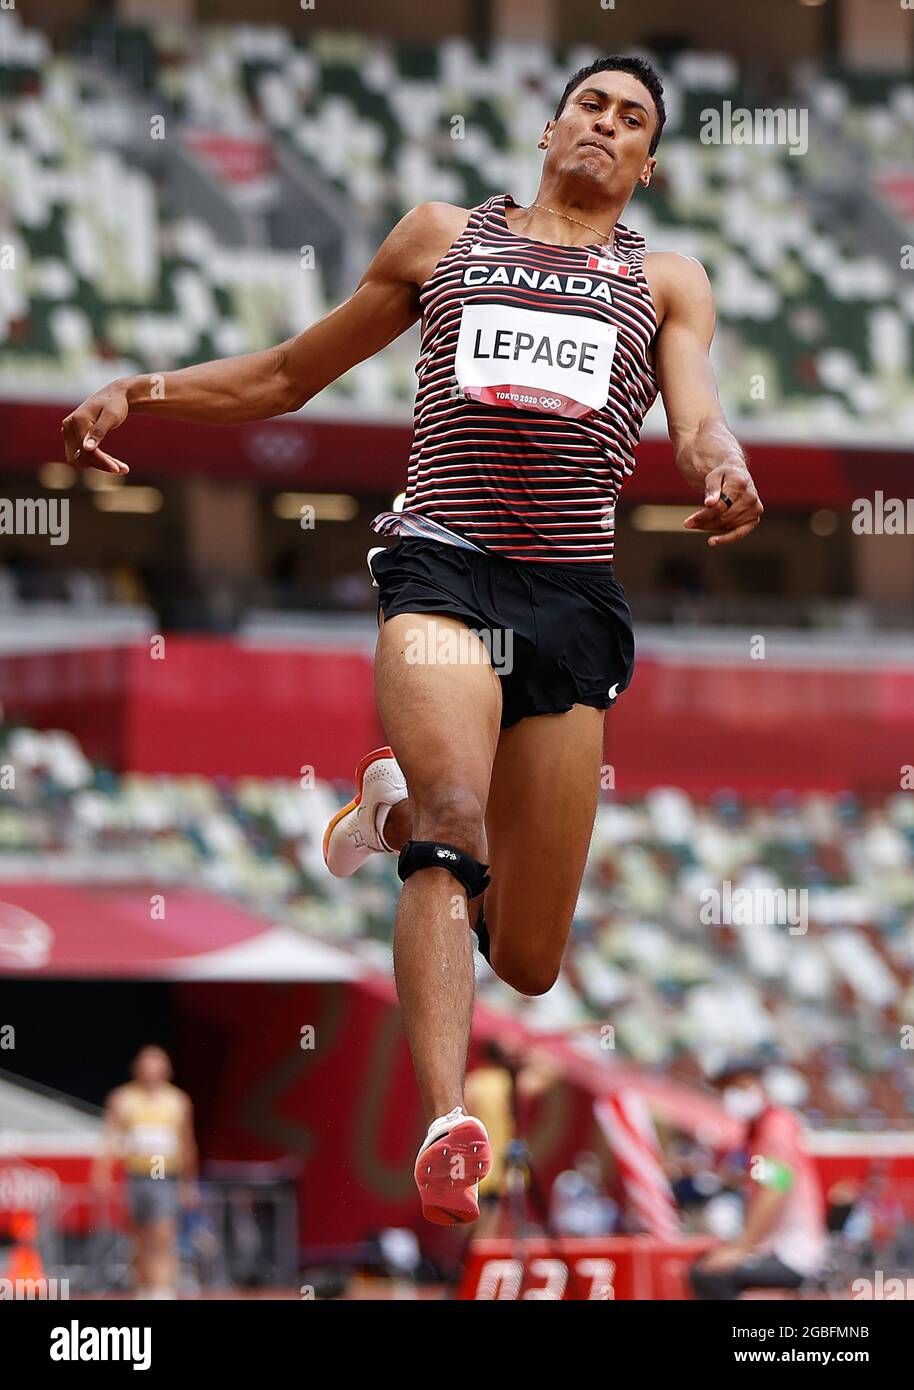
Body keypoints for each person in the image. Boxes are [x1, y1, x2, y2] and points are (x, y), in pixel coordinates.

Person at [61, 55, 763, 1227]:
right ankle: (448, 1123)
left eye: (632, 119)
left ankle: (380, 809)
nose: (605, 123)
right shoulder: (440, 236)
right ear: (548, 126)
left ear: (647, 166)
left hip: (572, 604)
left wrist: (722, 461)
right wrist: (149, 387)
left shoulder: (669, 280)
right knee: (456, 818)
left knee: (530, 958)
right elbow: (290, 373)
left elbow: (693, 416)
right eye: (590, 103)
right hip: (441, 567)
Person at [689, 1059, 827, 1300]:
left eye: (740, 1086)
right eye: (726, 1089)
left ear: (761, 1086)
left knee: (708, 1275)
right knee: (705, 1264)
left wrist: (743, 1247)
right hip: (775, 1248)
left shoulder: (776, 1127)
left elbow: (776, 1188)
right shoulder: (758, 1131)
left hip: (793, 1254)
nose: (730, 1095)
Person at [93, 1045, 198, 1299]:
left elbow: (187, 1143)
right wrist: (101, 1172)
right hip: (136, 1176)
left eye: (157, 1066)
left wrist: (188, 1183)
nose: (152, 1072)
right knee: (138, 1238)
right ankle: (143, 1288)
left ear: (166, 1070)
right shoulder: (123, 1098)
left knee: (162, 1235)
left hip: (164, 1178)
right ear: (138, 1069)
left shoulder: (178, 1101)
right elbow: (110, 1138)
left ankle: (162, 1292)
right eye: (147, 1066)